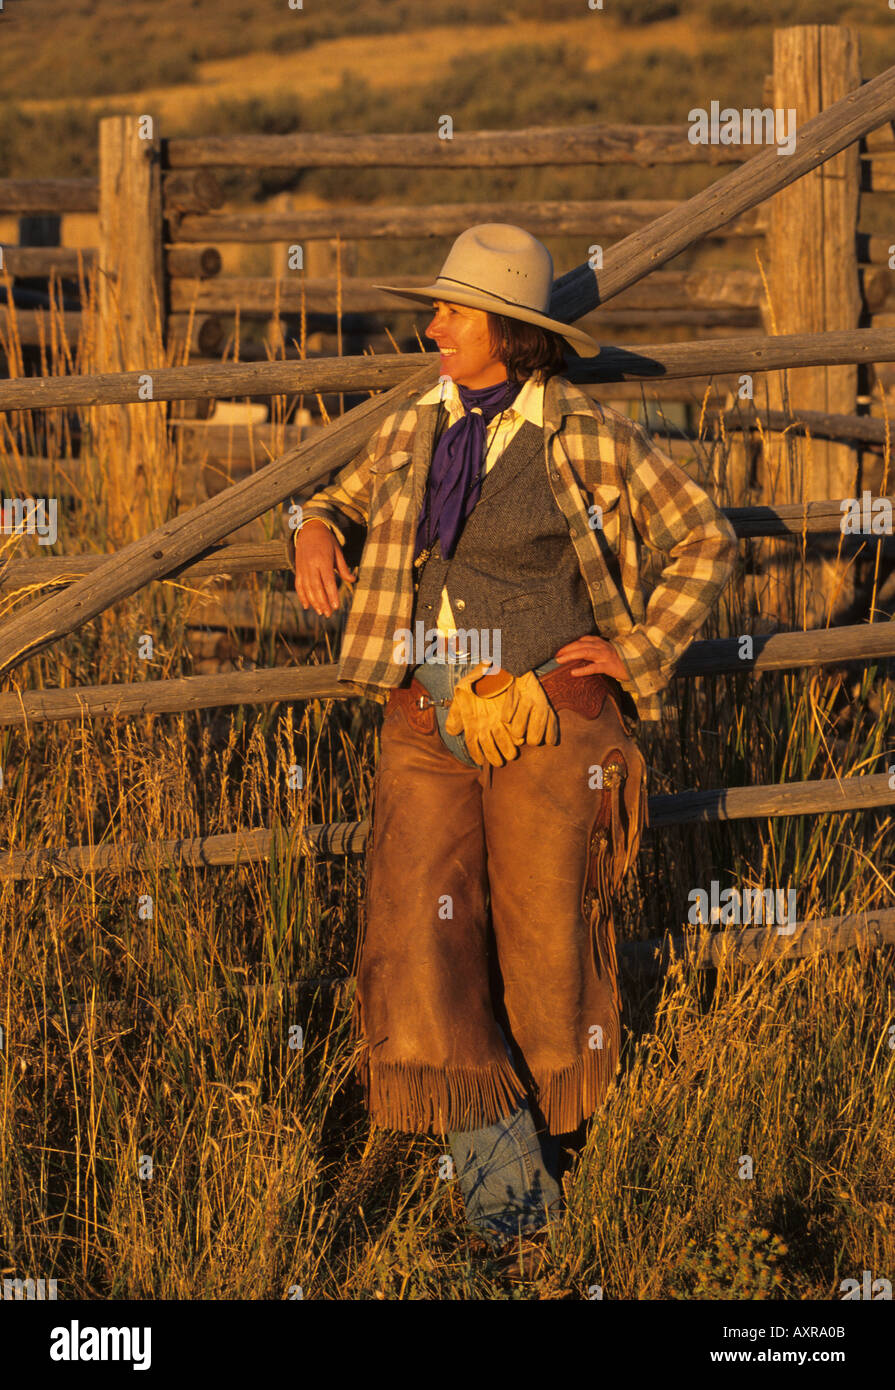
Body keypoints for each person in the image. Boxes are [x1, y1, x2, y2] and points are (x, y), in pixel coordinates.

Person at [294, 224, 738, 1276]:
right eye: (437, 308)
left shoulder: (580, 435)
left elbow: (704, 536)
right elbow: (339, 498)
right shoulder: (417, 423)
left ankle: (548, 1196)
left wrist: (628, 652)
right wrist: (312, 527)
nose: (431, 324)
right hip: (422, 722)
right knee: (417, 949)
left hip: (547, 720)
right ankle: (512, 1207)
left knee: (546, 960)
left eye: (452, 310)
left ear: (509, 333)